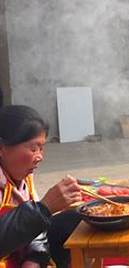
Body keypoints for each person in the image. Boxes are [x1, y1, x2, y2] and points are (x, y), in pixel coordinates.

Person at [0, 105, 82, 268]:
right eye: (33, 148)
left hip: (18, 255)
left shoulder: (24, 177)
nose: (40, 157)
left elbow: (37, 226)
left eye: (41, 148)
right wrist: (44, 207)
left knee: (74, 219)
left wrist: (36, 258)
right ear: (1, 148)